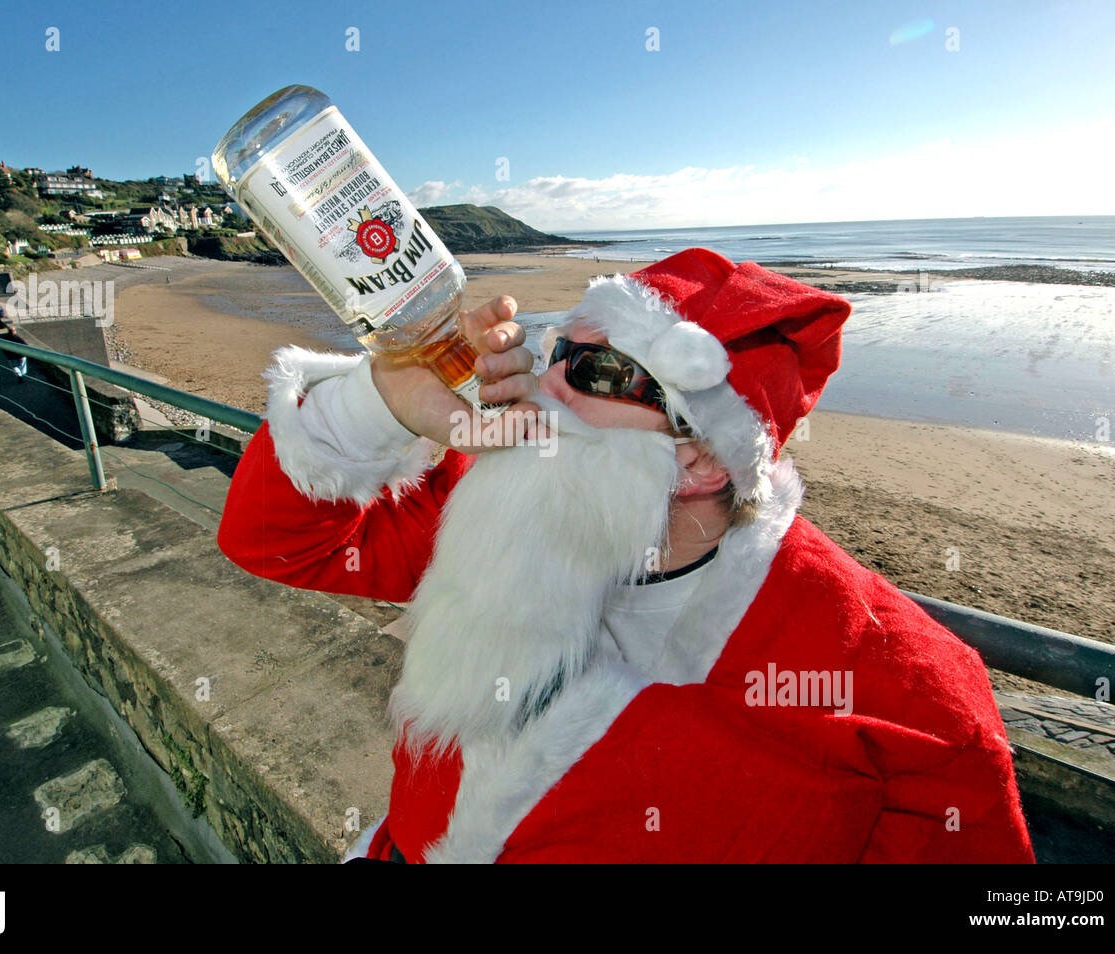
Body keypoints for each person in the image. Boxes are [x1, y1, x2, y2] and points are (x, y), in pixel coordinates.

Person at [217, 247, 1035, 864]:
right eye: (554, 353)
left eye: (600, 370)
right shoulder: (499, 505)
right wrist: (375, 401)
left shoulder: (906, 689)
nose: (549, 385)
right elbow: (268, 541)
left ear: (703, 459)